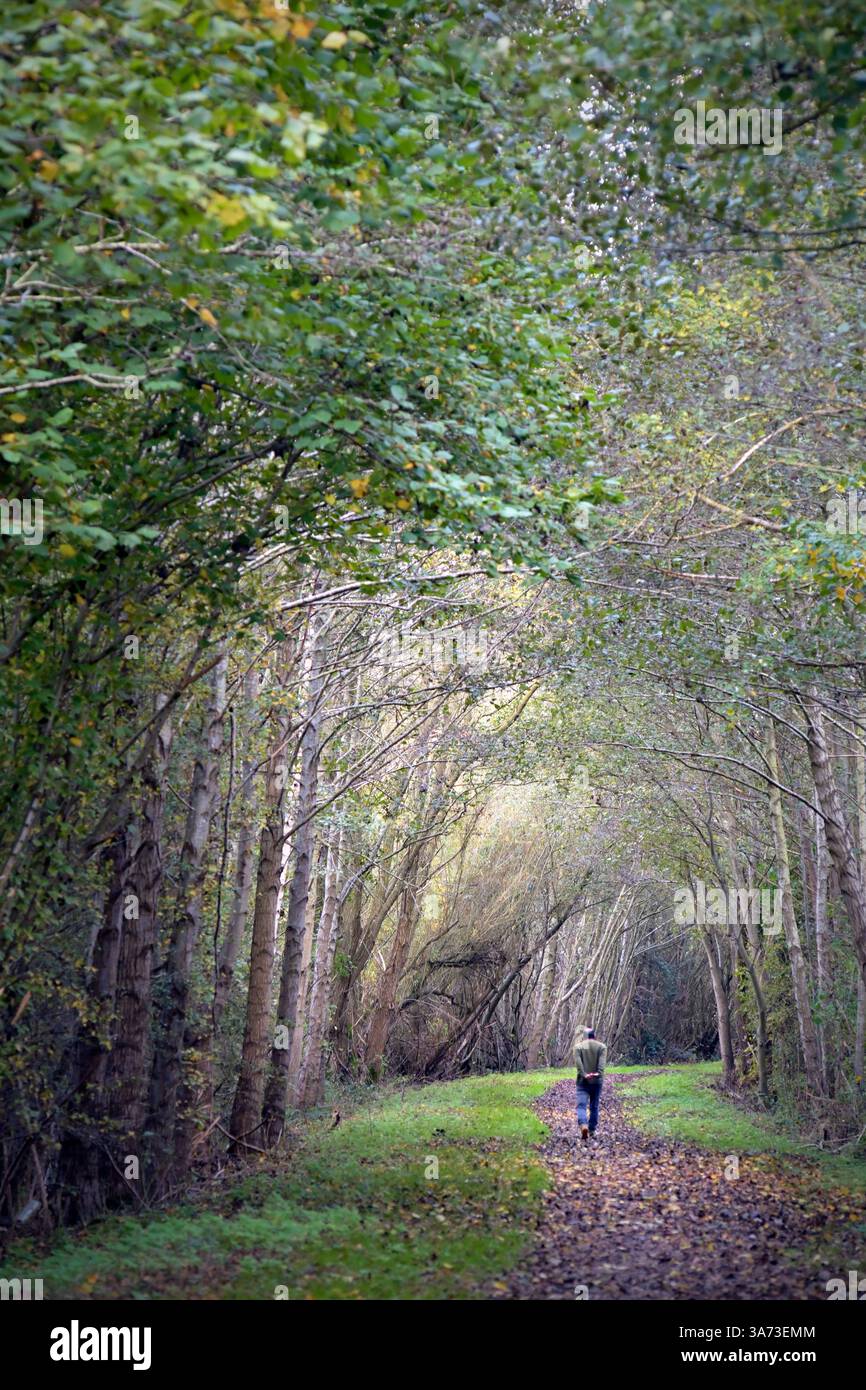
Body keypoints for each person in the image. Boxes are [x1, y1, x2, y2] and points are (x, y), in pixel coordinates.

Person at [575, 1024, 607, 1143]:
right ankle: (592, 1129)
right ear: (594, 1036)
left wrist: (584, 1074)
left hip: (582, 1081)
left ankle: (583, 1125)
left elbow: (578, 1064)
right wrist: (598, 1073)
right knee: (594, 1106)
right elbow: (602, 1064)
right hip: (597, 1082)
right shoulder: (602, 1047)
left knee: (581, 1106)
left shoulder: (578, 1047)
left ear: (584, 1036)